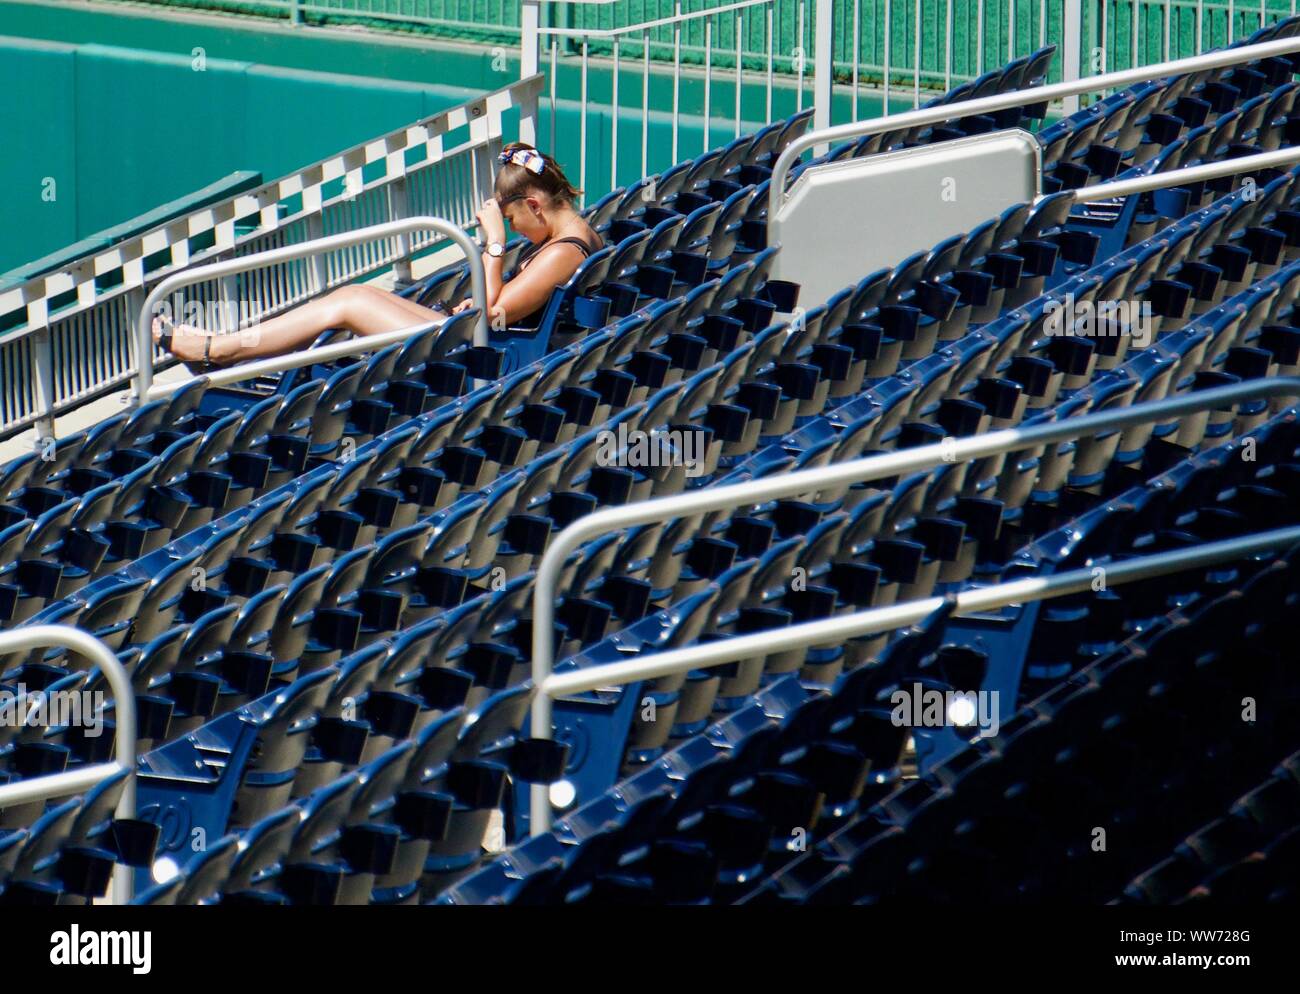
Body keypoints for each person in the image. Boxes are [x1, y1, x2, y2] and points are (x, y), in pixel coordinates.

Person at [153, 143, 604, 371]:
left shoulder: (563, 252)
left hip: (476, 350)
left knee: (347, 304)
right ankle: (228, 346)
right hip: (471, 335)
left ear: (534, 206)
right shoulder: (576, 236)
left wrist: (492, 245)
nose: (511, 228)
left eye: (511, 218)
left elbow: (492, 316)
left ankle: (219, 349)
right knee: (354, 294)